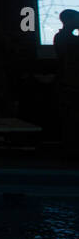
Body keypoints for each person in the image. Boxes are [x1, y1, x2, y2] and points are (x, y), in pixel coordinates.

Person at [54, 9, 79, 158]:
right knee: (72, 120)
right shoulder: (67, 39)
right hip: (71, 86)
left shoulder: (63, 38)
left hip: (69, 85)